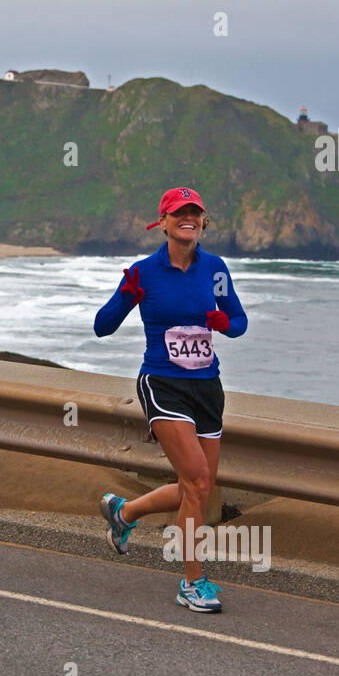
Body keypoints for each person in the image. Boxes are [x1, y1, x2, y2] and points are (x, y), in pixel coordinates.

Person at [94, 186, 247, 613]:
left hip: (206, 387)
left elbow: (239, 321)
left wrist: (224, 322)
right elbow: (102, 327)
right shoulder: (144, 272)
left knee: (195, 486)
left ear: (203, 222)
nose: (189, 218)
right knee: (198, 482)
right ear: (162, 222)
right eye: (180, 212)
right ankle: (192, 582)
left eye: (195, 213)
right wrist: (126, 294)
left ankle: (124, 514)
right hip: (161, 383)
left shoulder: (215, 269)